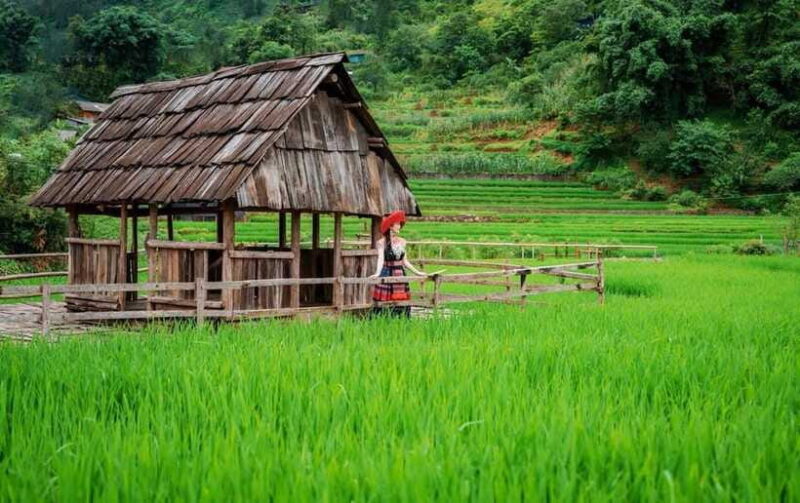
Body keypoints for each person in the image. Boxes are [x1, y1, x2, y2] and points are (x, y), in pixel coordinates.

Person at [370, 210, 427, 317]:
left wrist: (417, 272)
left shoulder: (402, 242)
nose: (399, 226)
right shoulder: (381, 243)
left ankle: (401, 319)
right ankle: (383, 320)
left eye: (400, 224)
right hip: (387, 272)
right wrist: (377, 273)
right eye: (397, 224)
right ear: (391, 226)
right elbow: (381, 259)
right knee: (385, 301)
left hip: (400, 274)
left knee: (401, 300)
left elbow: (405, 261)